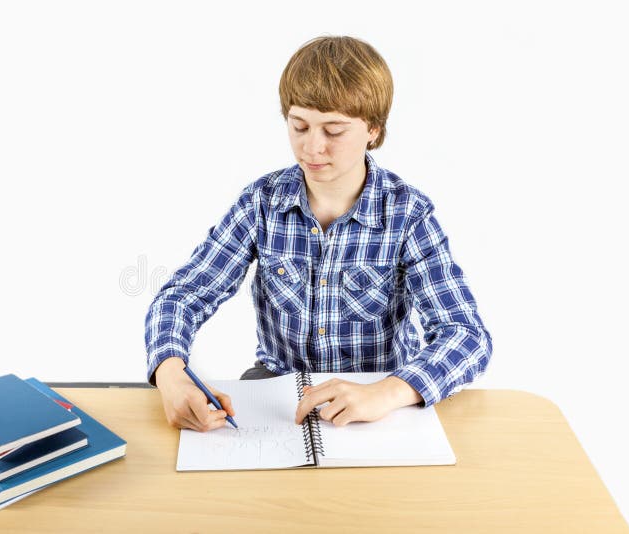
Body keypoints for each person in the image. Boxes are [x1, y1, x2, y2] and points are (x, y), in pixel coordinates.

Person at [145, 35, 492, 432]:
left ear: (373, 131)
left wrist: (387, 392)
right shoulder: (262, 203)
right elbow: (184, 295)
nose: (312, 147)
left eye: (334, 131)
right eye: (300, 126)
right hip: (276, 393)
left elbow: (466, 335)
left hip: (378, 399)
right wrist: (170, 372)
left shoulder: (407, 213)